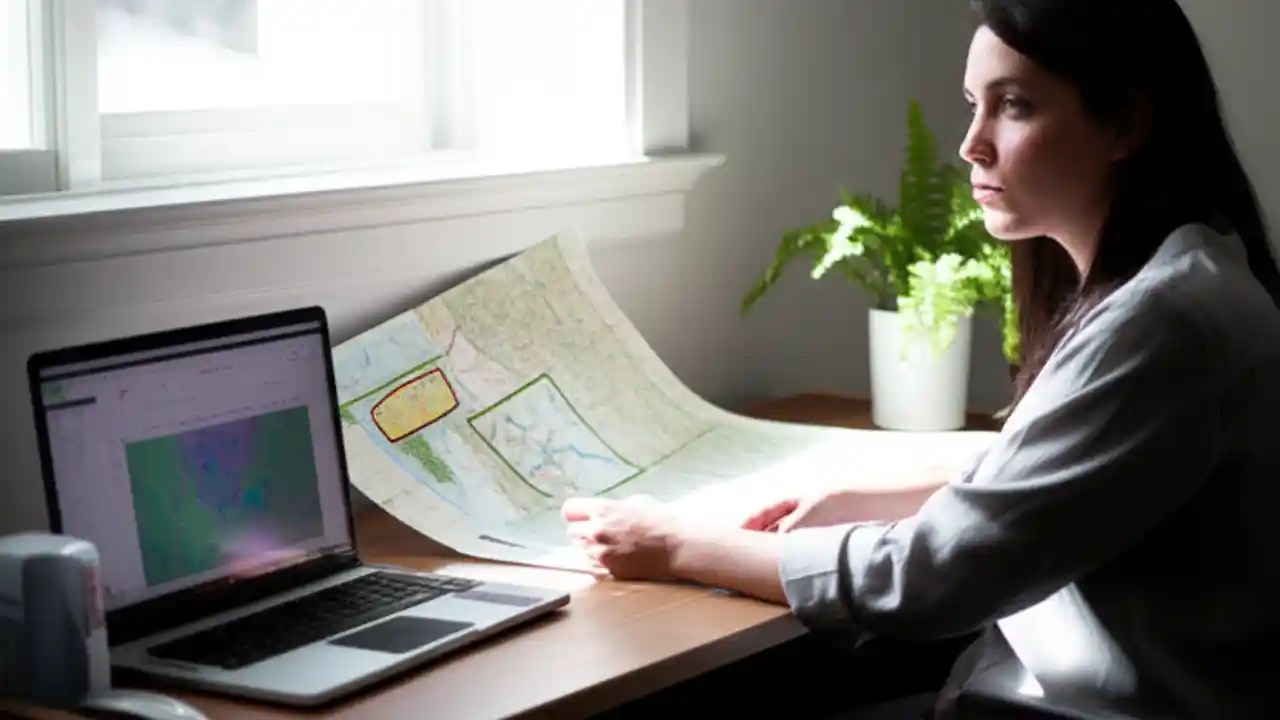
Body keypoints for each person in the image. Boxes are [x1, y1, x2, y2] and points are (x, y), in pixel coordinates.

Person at [562, 0, 1280, 718]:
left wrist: (676, 543)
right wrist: (874, 495)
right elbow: (1062, 472)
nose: (971, 144)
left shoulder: (1167, 323)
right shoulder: (1181, 279)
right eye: (974, 104)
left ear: (1127, 123)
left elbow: (933, 579)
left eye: (1015, 106)